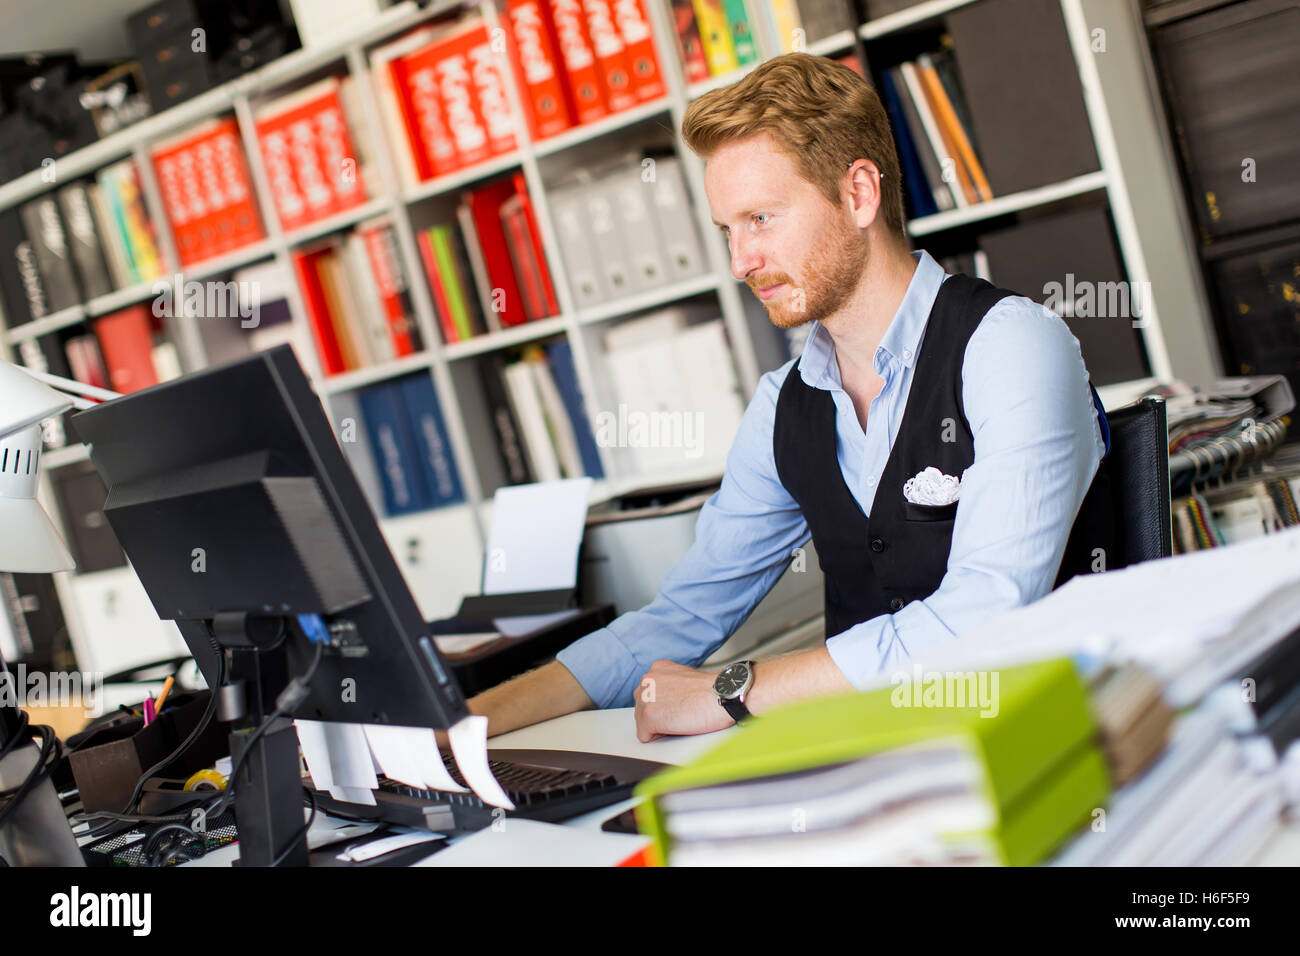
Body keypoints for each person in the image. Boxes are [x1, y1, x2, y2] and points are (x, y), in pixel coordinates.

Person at [468, 53, 1108, 741]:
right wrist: (466, 725)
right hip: (878, 765)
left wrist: (731, 691)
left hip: (1063, 744)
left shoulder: (1008, 344)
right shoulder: (785, 404)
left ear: (859, 194)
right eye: (728, 231)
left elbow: (986, 612)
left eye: (762, 219)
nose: (741, 261)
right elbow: (680, 617)